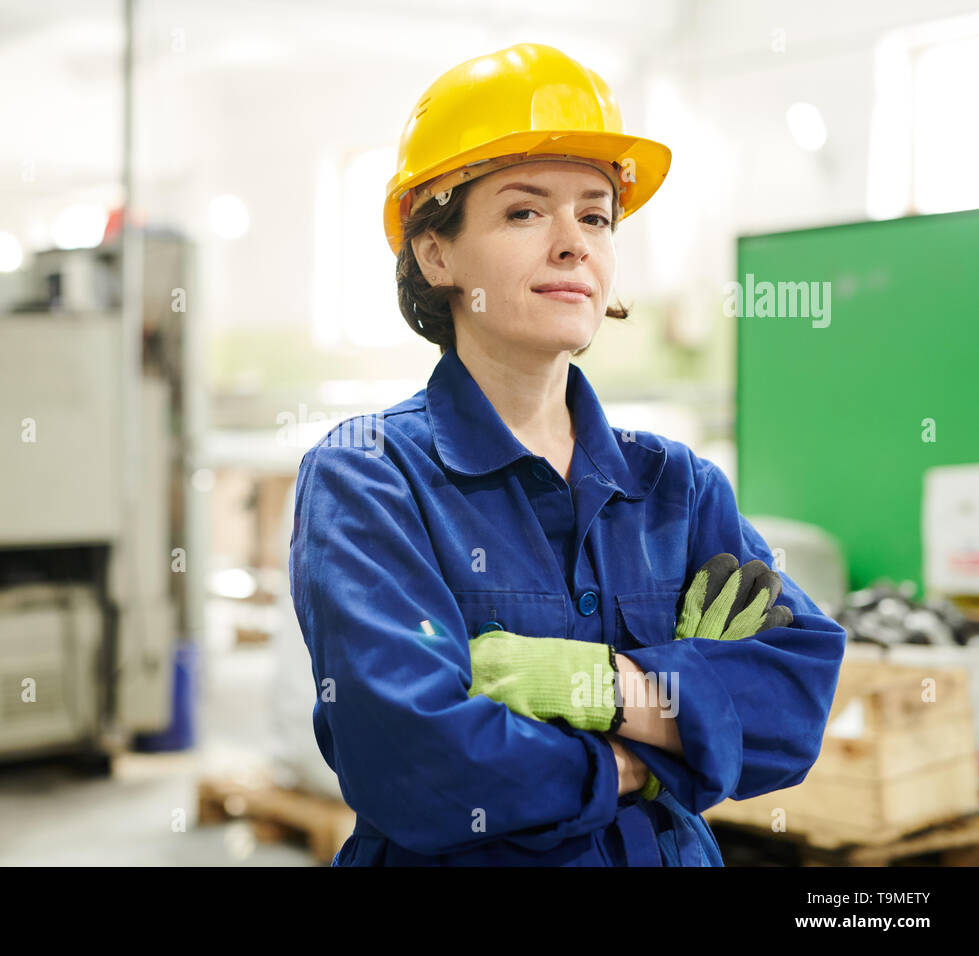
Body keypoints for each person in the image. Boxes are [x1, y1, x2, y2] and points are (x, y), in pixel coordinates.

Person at [288, 43, 846, 866]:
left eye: (594, 215)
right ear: (436, 253)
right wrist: (658, 749)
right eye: (524, 211)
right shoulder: (371, 476)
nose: (572, 243)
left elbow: (794, 703)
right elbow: (415, 762)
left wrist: (587, 685)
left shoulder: (677, 489)